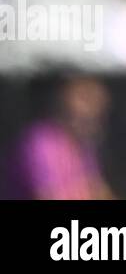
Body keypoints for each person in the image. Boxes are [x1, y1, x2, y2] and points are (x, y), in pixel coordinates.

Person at [1, 71, 114, 200]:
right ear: (61, 100)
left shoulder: (83, 143)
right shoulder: (39, 142)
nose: (94, 108)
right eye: (86, 98)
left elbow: (100, 190)